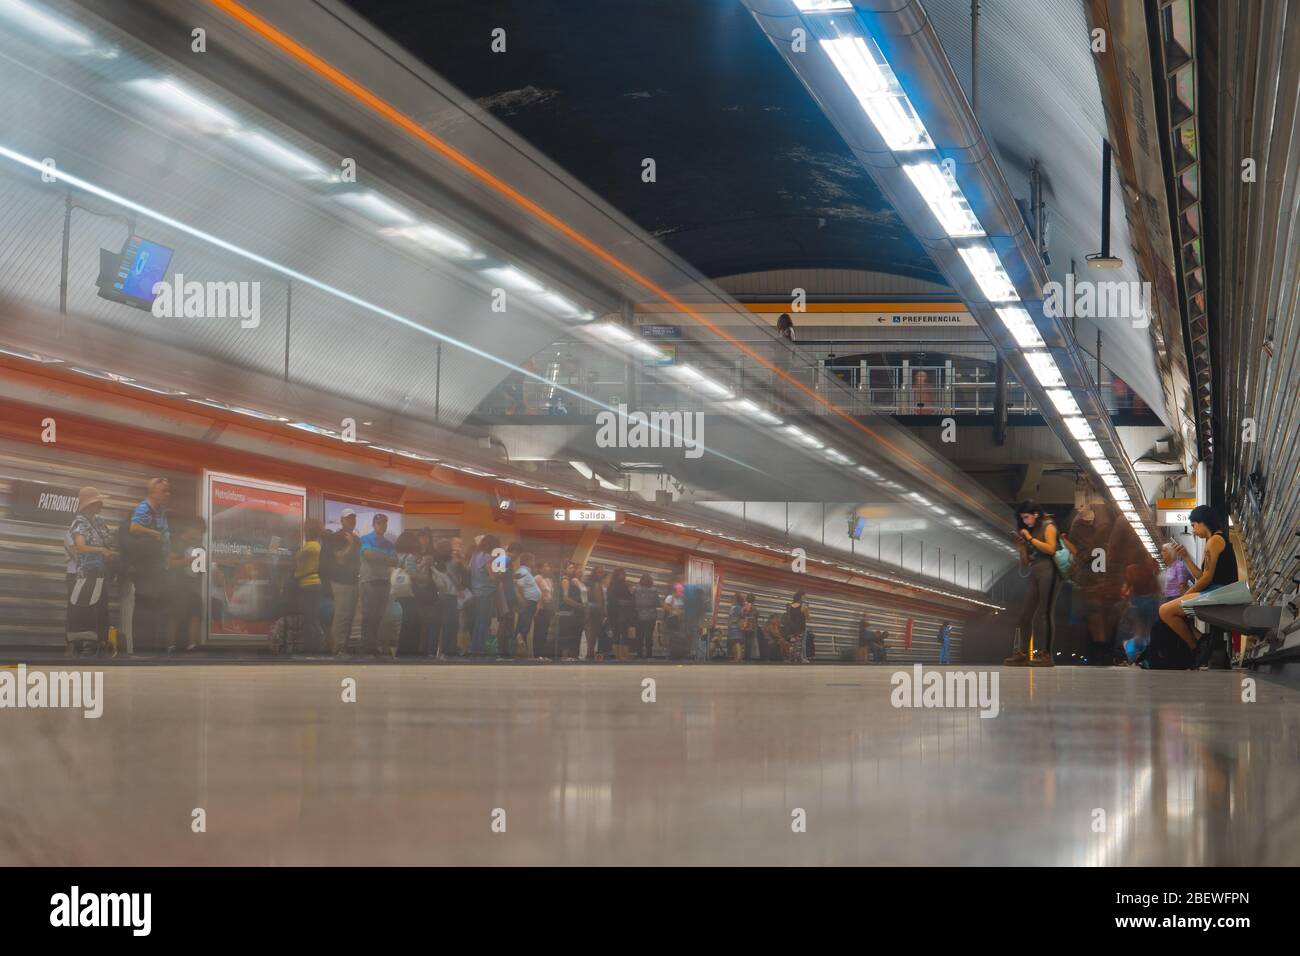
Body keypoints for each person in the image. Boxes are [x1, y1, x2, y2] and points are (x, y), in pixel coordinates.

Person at [1157, 505, 1239, 658]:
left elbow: (1207, 578)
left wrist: (1185, 595)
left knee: (1165, 611)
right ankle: (1201, 641)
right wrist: (1186, 557)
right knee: (1175, 611)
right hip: (1219, 591)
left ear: (1203, 522)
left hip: (1218, 593)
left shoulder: (1214, 541)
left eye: (1194, 525)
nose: (1193, 530)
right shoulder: (1216, 540)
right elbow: (1203, 576)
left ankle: (1196, 648)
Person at [1005, 500, 1060, 667]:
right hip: (1035, 571)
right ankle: (1023, 652)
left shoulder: (1048, 526)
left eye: (1027, 517)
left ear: (1036, 514)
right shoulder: (1031, 530)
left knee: (1044, 613)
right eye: (1023, 518)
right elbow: (1027, 561)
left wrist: (1030, 538)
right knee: (1025, 613)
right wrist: (1022, 546)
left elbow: (1051, 549)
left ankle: (1046, 654)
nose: (1026, 521)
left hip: (1050, 570)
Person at [66, 486, 116, 655]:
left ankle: (101, 641)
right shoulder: (79, 522)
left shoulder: (99, 521)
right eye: (97, 501)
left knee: (101, 606)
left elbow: (108, 541)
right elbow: (81, 547)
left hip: (101, 572)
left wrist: (110, 552)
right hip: (87, 574)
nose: (101, 504)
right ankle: (86, 643)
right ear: (90, 504)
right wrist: (101, 551)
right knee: (87, 606)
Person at [127, 477, 172, 652]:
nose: (167, 494)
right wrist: (154, 534)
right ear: (152, 491)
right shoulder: (144, 507)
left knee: (156, 608)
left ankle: (153, 646)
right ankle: (142, 647)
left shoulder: (161, 511)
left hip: (158, 568)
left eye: (168, 491)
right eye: (164, 490)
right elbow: (134, 527)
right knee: (145, 608)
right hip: (146, 569)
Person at [358, 513, 397, 657]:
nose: (383, 526)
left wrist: (378, 557)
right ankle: (366, 646)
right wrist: (386, 559)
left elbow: (394, 561)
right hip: (369, 581)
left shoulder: (390, 543)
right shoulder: (365, 539)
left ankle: (374, 645)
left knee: (380, 616)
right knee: (369, 615)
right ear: (374, 524)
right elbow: (368, 555)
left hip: (384, 582)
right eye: (380, 523)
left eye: (385, 523)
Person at [326, 509, 361, 655]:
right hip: (341, 582)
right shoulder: (336, 537)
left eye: (353, 518)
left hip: (353, 581)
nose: (352, 521)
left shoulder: (355, 537)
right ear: (342, 521)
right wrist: (352, 545)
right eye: (348, 518)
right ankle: (337, 650)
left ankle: (343, 649)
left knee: (349, 618)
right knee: (342, 617)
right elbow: (340, 559)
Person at [170, 517, 206, 653]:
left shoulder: (200, 547)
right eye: (198, 530)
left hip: (194, 587)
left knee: (196, 614)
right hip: (178, 585)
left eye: (202, 531)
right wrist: (187, 561)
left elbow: (200, 571)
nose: (199, 534)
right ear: (189, 528)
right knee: (174, 615)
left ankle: (192, 645)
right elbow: (170, 563)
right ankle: (170, 645)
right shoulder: (177, 542)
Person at [468, 534, 500, 657]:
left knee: (478, 621)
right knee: (483, 622)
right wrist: (499, 575)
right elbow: (493, 576)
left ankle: (474, 647)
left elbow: (470, 570)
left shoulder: (475, 556)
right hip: (486, 592)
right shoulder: (487, 557)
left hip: (476, 592)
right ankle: (478, 648)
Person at [393, 530, 422, 657]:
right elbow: (413, 575)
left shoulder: (397, 555)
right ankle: (408, 649)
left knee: (406, 620)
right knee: (412, 621)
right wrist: (420, 569)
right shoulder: (410, 557)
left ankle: (403, 649)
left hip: (399, 592)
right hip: (409, 592)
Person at [513, 552, 542, 658]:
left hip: (530, 602)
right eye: (533, 560)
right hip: (528, 602)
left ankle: (521, 650)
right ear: (528, 561)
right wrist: (522, 600)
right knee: (523, 626)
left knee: (525, 626)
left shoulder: (526, 572)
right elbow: (518, 586)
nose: (534, 562)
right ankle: (520, 649)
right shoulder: (523, 571)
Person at [557, 561, 586, 659]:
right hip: (566, 613)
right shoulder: (565, 580)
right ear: (565, 570)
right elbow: (565, 598)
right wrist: (579, 605)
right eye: (570, 568)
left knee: (571, 635)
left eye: (573, 567)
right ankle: (564, 657)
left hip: (571, 613)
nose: (573, 569)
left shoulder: (572, 580)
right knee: (566, 635)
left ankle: (570, 656)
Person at [606, 568, 634, 658]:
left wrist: (626, 601)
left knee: (625, 635)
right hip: (614, 614)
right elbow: (611, 599)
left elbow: (630, 599)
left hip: (624, 614)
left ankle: (624, 655)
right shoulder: (612, 586)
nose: (623, 576)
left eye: (623, 574)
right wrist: (621, 602)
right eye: (620, 574)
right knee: (616, 634)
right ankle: (617, 655)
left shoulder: (625, 586)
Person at [632, 574, 659, 659]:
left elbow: (633, 602)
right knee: (648, 636)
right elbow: (657, 603)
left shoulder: (635, 589)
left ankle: (639, 654)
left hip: (639, 616)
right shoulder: (654, 590)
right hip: (651, 616)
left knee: (639, 636)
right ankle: (649, 654)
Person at [533, 561, 555, 659]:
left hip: (547, 608)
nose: (548, 568)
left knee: (545, 631)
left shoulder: (549, 580)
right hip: (540, 607)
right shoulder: (537, 578)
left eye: (548, 566)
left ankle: (542, 653)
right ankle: (536, 654)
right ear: (540, 569)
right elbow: (537, 593)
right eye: (545, 566)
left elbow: (550, 594)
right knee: (539, 631)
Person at [586, 567, 609, 660]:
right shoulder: (592, 583)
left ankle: (592, 654)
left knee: (595, 635)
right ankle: (589, 654)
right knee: (591, 635)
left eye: (602, 572)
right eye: (599, 572)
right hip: (593, 612)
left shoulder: (600, 584)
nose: (601, 574)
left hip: (599, 612)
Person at [784, 591, 809, 662]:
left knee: (792, 643)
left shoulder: (790, 606)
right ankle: (800, 658)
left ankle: (791, 658)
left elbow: (789, 616)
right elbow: (808, 618)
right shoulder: (803, 606)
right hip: (801, 627)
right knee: (799, 643)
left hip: (792, 627)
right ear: (800, 598)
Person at [727, 592, 746, 662]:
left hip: (735, 627)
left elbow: (741, 616)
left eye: (733, 598)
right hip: (733, 627)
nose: (731, 600)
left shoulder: (737, 607)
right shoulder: (736, 607)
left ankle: (738, 657)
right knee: (735, 642)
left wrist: (736, 622)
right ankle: (737, 657)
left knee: (736, 641)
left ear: (736, 600)